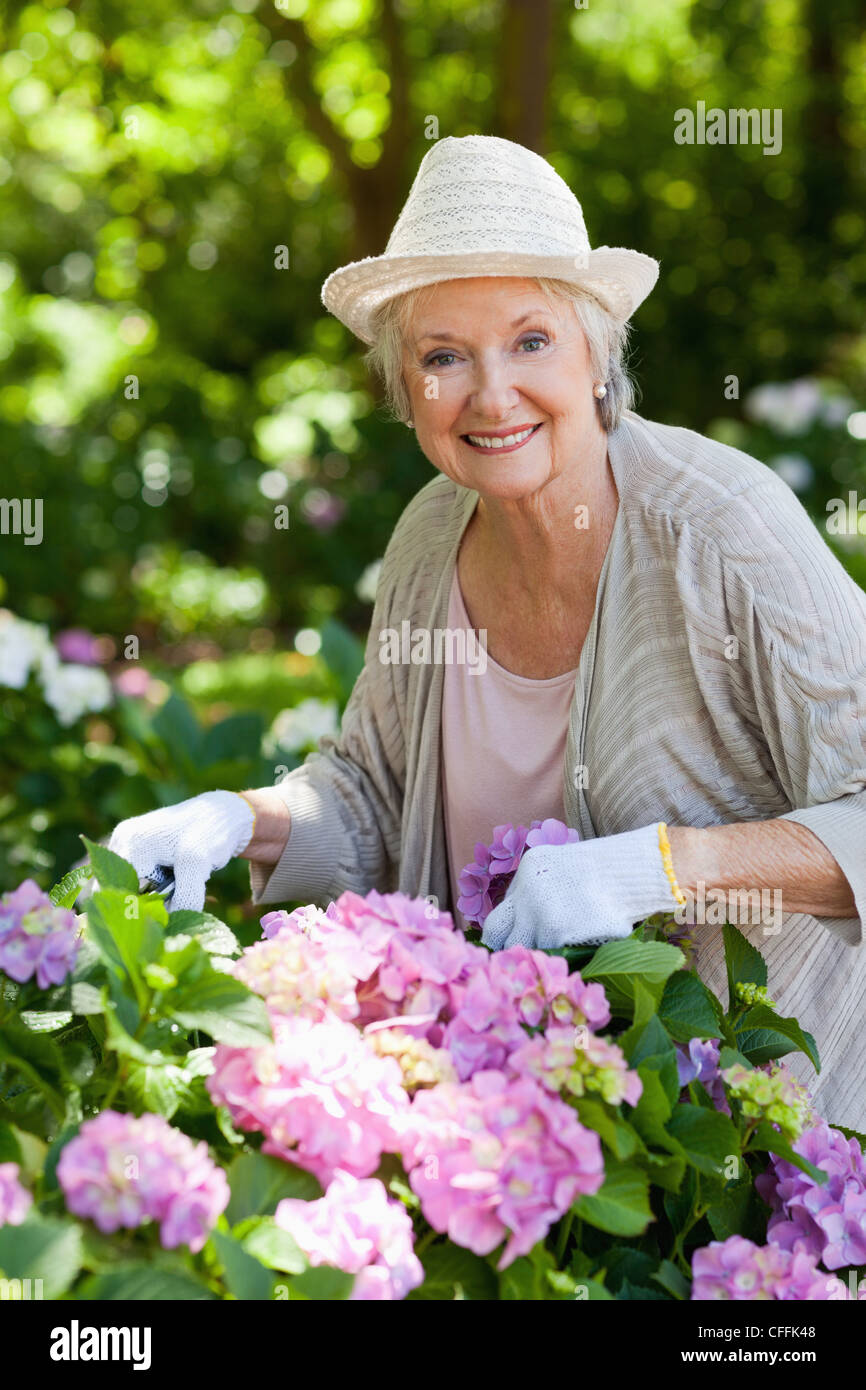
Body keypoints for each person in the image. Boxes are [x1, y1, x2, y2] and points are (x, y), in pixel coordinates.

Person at [109, 135, 866, 1126]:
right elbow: (372, 799)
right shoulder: (431, 534)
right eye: (442, 357)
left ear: (596, 351)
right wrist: (234, 818)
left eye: (530, 341)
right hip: (493, 1144)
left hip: (735, 1165)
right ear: (404, 388)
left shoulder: (721, 528)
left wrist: (661, 868)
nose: (490, 392)